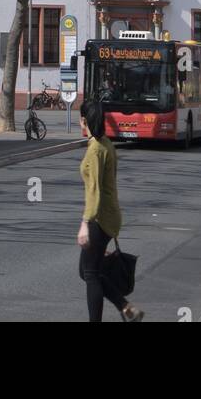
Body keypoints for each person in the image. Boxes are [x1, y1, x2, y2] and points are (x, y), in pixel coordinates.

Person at [78, 100, 143, 323]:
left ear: (84, 121)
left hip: (99, 217)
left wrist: (86, 223)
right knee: (87, 270)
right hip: (109, 215)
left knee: (90, 274)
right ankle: (127, 309)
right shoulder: (106, 143)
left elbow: (95, 190)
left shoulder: (96, 149)